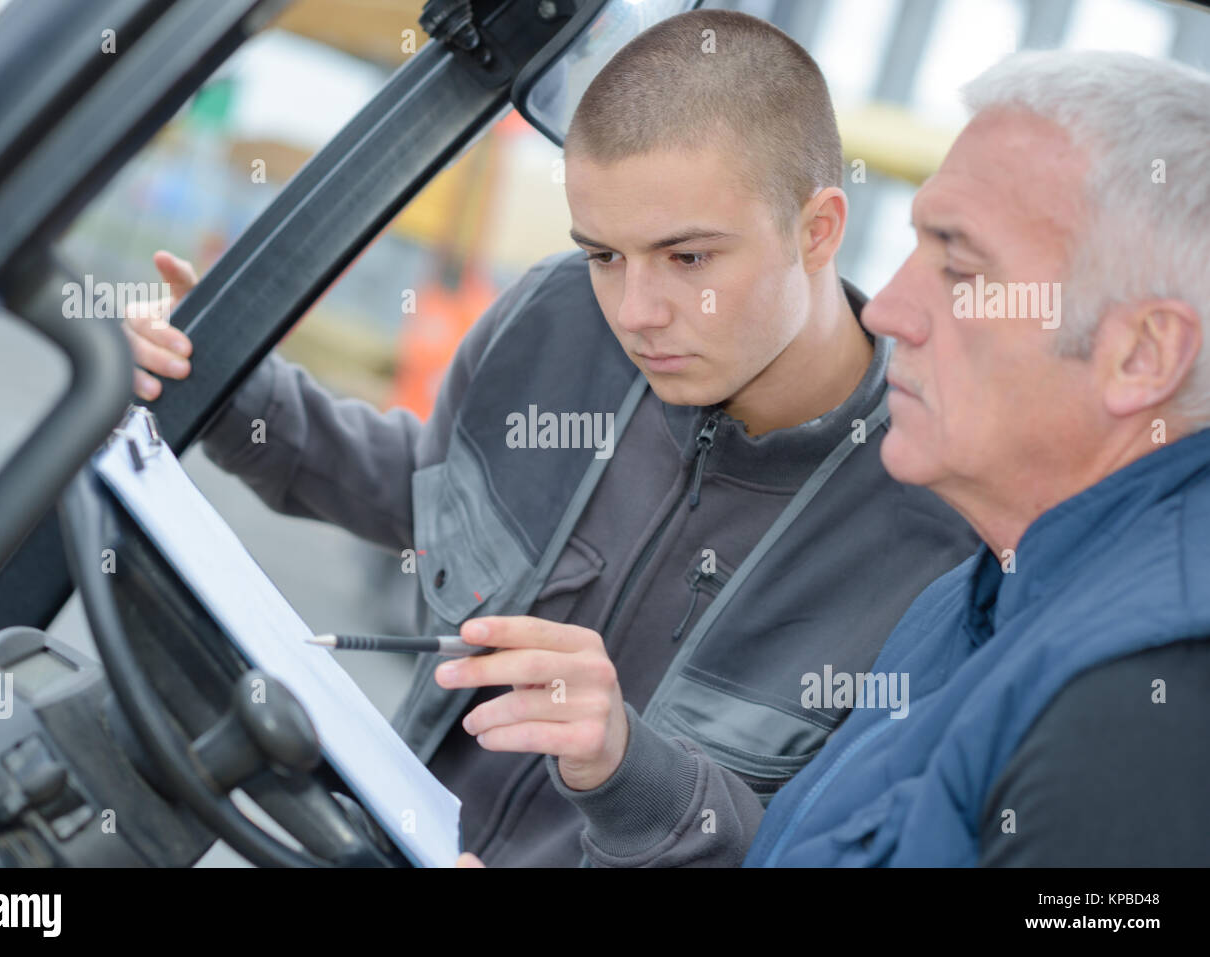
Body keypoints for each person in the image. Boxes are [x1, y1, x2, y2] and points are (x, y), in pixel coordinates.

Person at [124, 10, 977, 867]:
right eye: (605, 254)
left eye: (687, 259)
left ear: (817, 229)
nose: (635, 312)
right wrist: (224, 380)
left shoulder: (937, 534)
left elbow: (847, 852)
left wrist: (631, 770)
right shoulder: (553, 316)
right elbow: (430, 493)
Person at [455, 47, 1210, 868]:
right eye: (916, 249)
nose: (887, 309)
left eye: (959, 270)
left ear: (1143, 354)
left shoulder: (1146, 714)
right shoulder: (971, 599)